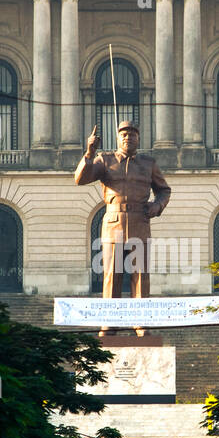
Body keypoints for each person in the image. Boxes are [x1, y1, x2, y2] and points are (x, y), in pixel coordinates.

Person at [73, 120, 171, 332]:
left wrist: (158, 205)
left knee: (140, 274)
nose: (128, 137)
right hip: (113, 222)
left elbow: (164, 190)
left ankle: (140, 322)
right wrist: (89, 153)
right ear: (118, 138)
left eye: (132, 134)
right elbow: (80, 179)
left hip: (140, 220)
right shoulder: (105, 160)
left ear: (138, 138)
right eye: (124, 134)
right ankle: (109, 322)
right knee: (112, 274)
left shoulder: (148, 164)